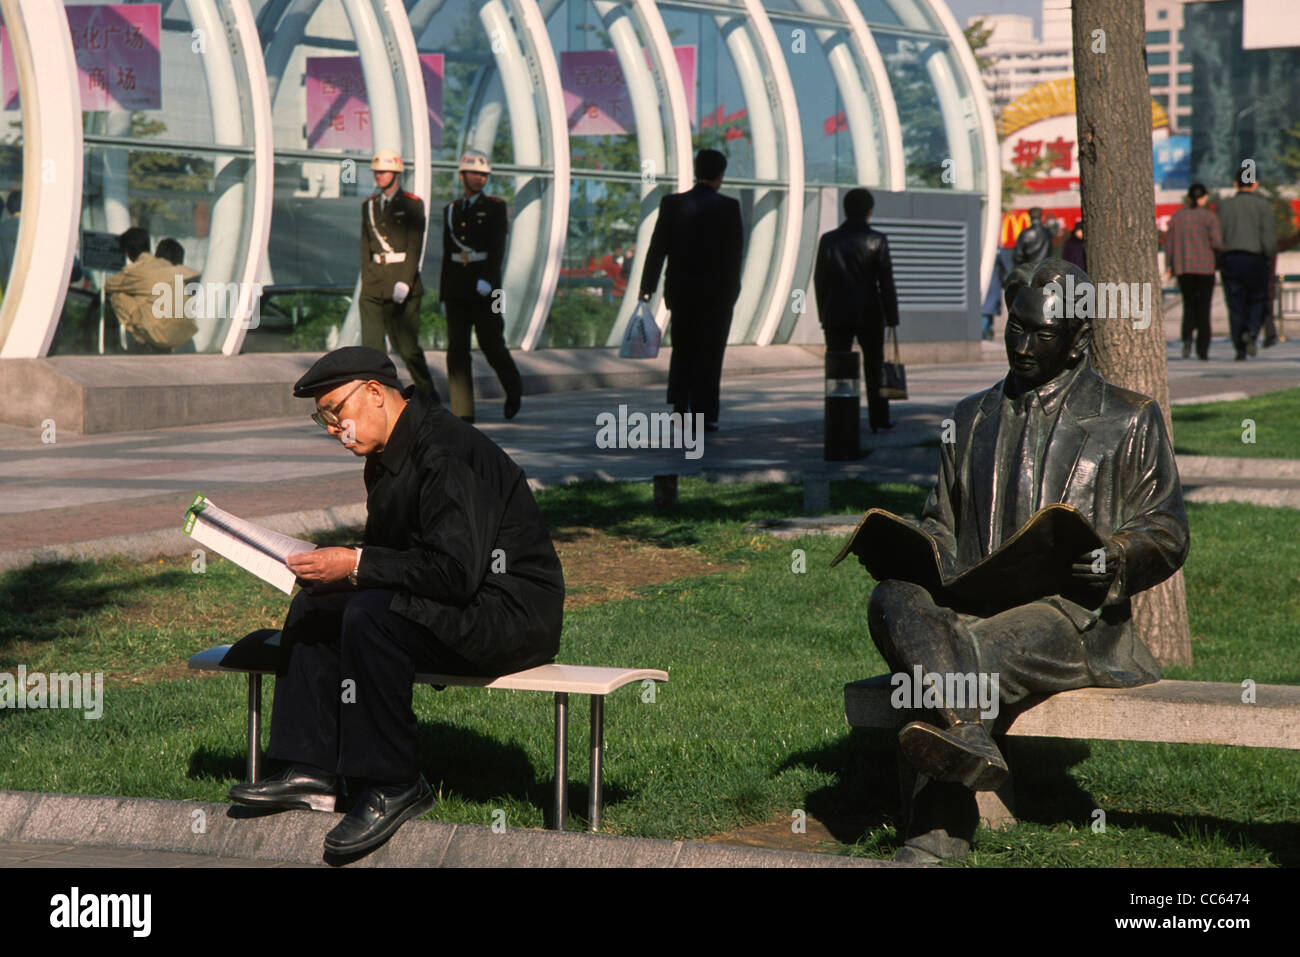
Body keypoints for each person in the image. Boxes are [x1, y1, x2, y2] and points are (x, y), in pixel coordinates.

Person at [861, 258, 1188, 863]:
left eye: (1041, 334)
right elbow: (943, 519)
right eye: (1016, 327)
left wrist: (1115, 554)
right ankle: (969, 736)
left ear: (1077, 340)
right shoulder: (968, 417)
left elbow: (1166, 529)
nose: (1022, 345)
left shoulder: (1129, 417)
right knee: (892, 601)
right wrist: (919, 545)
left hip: (1072, 615)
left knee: (949, 663)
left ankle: (934, 837)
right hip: (973, 602)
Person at [228, 346, 565, 856]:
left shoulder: (446, 452)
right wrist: (336, 575)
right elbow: (394, 561)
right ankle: (313, 772)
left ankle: (393, 784)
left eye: (335, 411)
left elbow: (455, 573)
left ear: (373, 393)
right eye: (322, 419)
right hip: (460, 600)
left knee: (371, 617)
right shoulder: (385, 456)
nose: (332, 428)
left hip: (510, 613)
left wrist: (357, 566)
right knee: (317, 609)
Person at [638, 149, 744, 432]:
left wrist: (646, 287)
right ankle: (705, 412)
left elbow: (657, 249)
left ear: (697, 170)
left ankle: (679, 406)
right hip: (717, 296)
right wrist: (732, 293)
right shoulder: (729, 208)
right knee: (711, 353)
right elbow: (735, 256)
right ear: (720, 175)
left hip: (681, 292)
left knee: (683, 349)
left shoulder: (673, 204)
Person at [440, 149, 522, 423]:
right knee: (457, 350)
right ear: (462, 175)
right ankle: (463, 412)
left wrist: (488, 278)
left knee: (491, 343)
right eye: (474, 173)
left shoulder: (495, 207)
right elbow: (447, 253)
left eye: (484, 175)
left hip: (488, 288)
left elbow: (498, 247)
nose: (480, 179)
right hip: (457, 288)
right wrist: (444, 292)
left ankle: (513, 389)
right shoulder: (450, 209)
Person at [813, 188, 900, 434]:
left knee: (838, 368)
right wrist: (892, 317)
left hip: (836, 314)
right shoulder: (877, 240)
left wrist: (823, 315)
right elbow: (886, 283)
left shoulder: (829, 240)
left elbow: (820, 280)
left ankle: (839, 417)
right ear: (869, 211)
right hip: (870, 314)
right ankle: (879, 419)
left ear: (845, 209)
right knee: (875, 367)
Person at [360, 148, 438, 397]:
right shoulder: (369, 206)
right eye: (376, 172)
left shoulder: (412, 204)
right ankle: (385, 397)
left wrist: (405, 281)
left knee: (407, 349)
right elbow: (365, 247)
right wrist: (366, 280)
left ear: (396, 173)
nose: (379, 176)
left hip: (403, 283)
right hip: (374, 284)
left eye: (384, 172)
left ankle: (428, 395)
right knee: (372, 349)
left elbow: (415, 245)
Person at [104, 226, 200, 352]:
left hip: (161, 335)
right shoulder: (166, 265)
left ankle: (141, 341)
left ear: (127, 252)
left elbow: (109, 285)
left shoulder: (136, 271)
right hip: (186, 332)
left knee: (118, 295)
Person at [1216, 168, 1277, 360]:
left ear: (1235, 184)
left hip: (1231, 259)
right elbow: (1268, 238)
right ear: (1255, 184)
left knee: (1235, 304)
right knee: (1258, 299)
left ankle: (1239, 349)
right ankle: (1251, 331)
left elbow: (1219, 236)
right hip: (1255, 259)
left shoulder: (1224, 207)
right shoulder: (1263, 206)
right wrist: (1268, 255)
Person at [1164, 183, 1222, 360]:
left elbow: (1169, 245)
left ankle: (1187, 339)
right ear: (1203, 197)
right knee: (1204, 309)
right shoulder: (1209, 217)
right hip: (1205, 269)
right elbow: (1217, 243)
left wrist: (1170, 266)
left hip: (1184, 268)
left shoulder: (1177, 217)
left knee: (1188, 307)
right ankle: (1202, 349)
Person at [979, 247, 1014, 342]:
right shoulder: (995, 250)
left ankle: (985, 334)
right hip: (993, 285)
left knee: (985, 312)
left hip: (984, 286)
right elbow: (1004, 269)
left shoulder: (977, 248)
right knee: (987, 312)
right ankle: (986, 333)